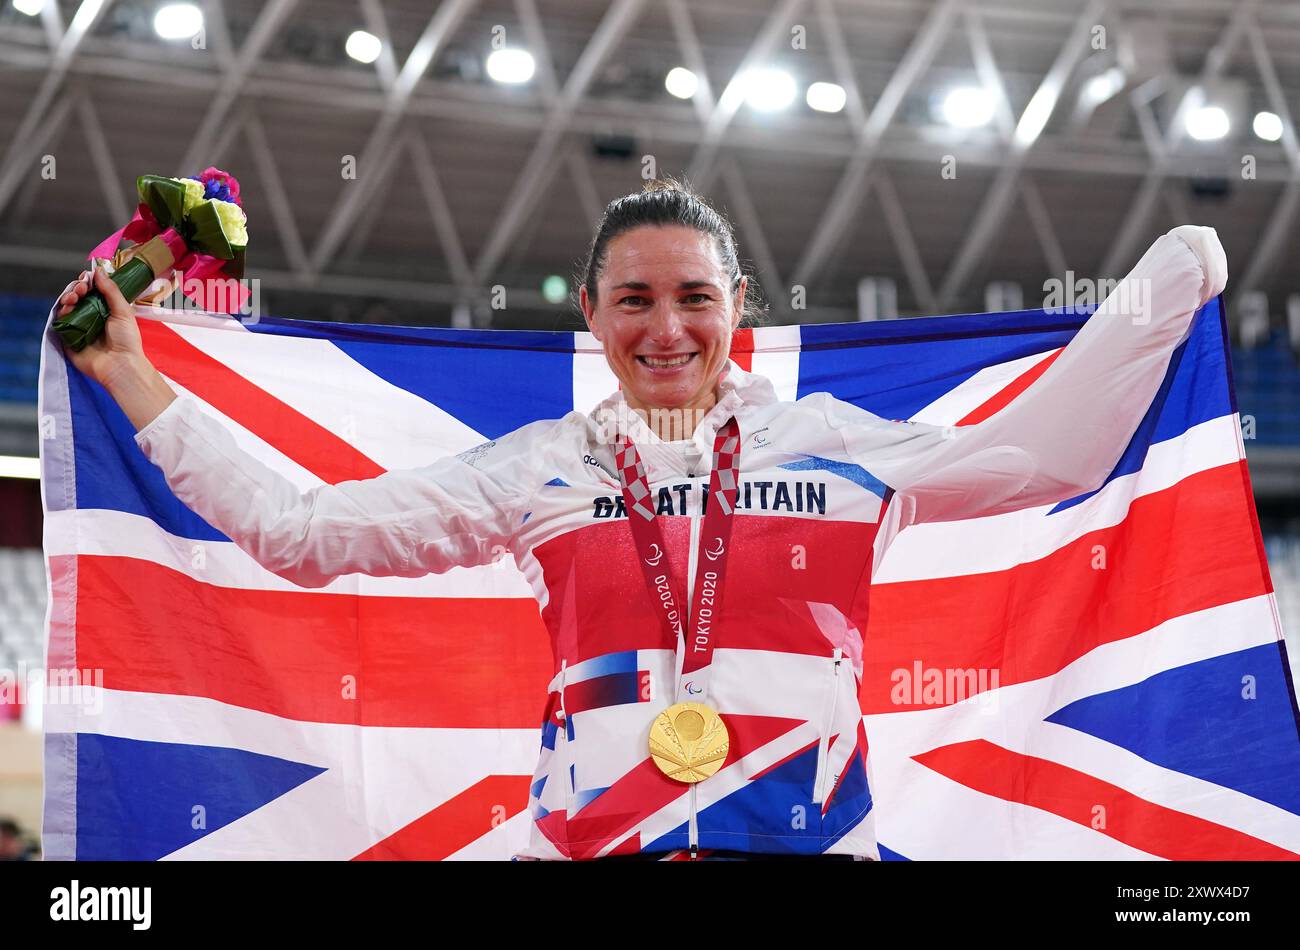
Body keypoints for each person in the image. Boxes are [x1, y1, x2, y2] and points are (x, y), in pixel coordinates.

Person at [52, 179, 1227, 861]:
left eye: (693, 297)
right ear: (591, 312)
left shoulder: (840, 450)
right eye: (634, 299)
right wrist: (132, 377)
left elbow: (1051, 457)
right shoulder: (537, 470)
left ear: (739, 308)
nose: (666, 328)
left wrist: (1165, 284)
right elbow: (303, 532)